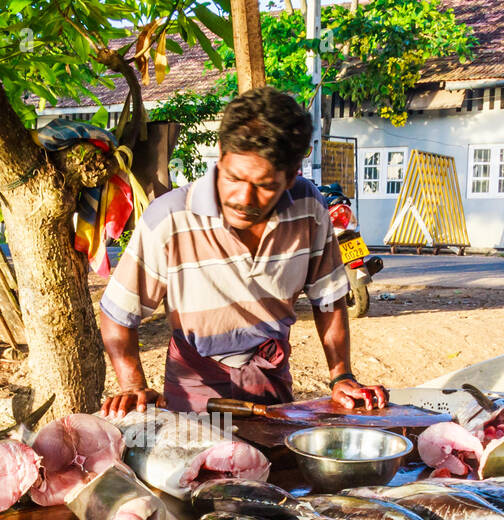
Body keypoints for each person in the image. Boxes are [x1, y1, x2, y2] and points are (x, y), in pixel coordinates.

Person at [98, 86, 387, 416]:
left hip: (270, 377)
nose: (244, 199)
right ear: (220, 153)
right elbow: (118, 312)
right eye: (234, 177)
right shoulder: (169, 218)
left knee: (270, 464)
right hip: (193, 386)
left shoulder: (309, 207)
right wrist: (133, 386)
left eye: (264, 186)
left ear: (293, 176)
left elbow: (329, 297)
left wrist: (342, 376)